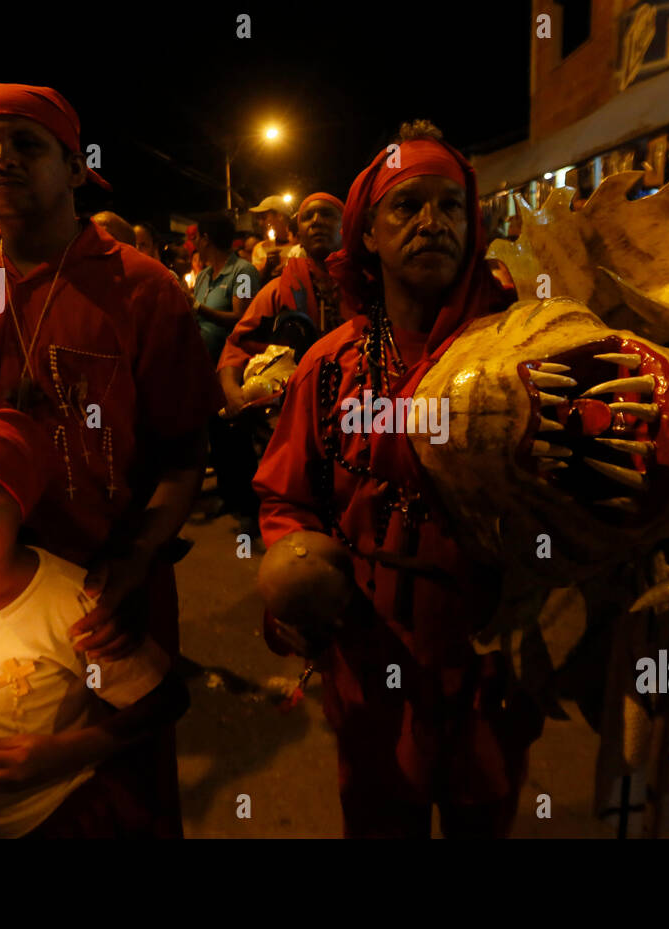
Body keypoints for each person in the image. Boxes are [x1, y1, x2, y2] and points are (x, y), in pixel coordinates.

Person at [0, 82, 219, 836]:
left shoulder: (142, 288)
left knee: (124, 794)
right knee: (1, 786)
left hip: (107, 589)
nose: (2, 161)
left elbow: (183, 452)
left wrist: (134, 560)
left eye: (26, 144)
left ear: (74, 163)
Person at [253, 121, 543, 838]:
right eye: (407, 206)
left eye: (451, 206)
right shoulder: (330, 365)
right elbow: (285, 497)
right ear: (369, 236)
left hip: (489, 655)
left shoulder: (528, 351)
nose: (432, 223)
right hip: (370, 651)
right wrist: (297, 573)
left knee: (485, 816)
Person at [0, 408, 188, 838]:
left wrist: (67, 752)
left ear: (19, 508)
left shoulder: (68, 603)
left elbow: (168, 699)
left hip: (60, 813)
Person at [216, 191, 346, 417]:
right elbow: (239, 337)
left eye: (326, 214)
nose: (316, 221)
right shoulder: (264, 267)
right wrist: (232, 391)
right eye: (308, 217)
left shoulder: (368, 284)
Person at [191, 211, 260, 361]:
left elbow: (241, 317)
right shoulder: (203, 276)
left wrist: (197, 306)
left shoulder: (243, 272)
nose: (194, 244)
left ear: (205, 239)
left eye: (196, 238)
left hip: (227, 362)